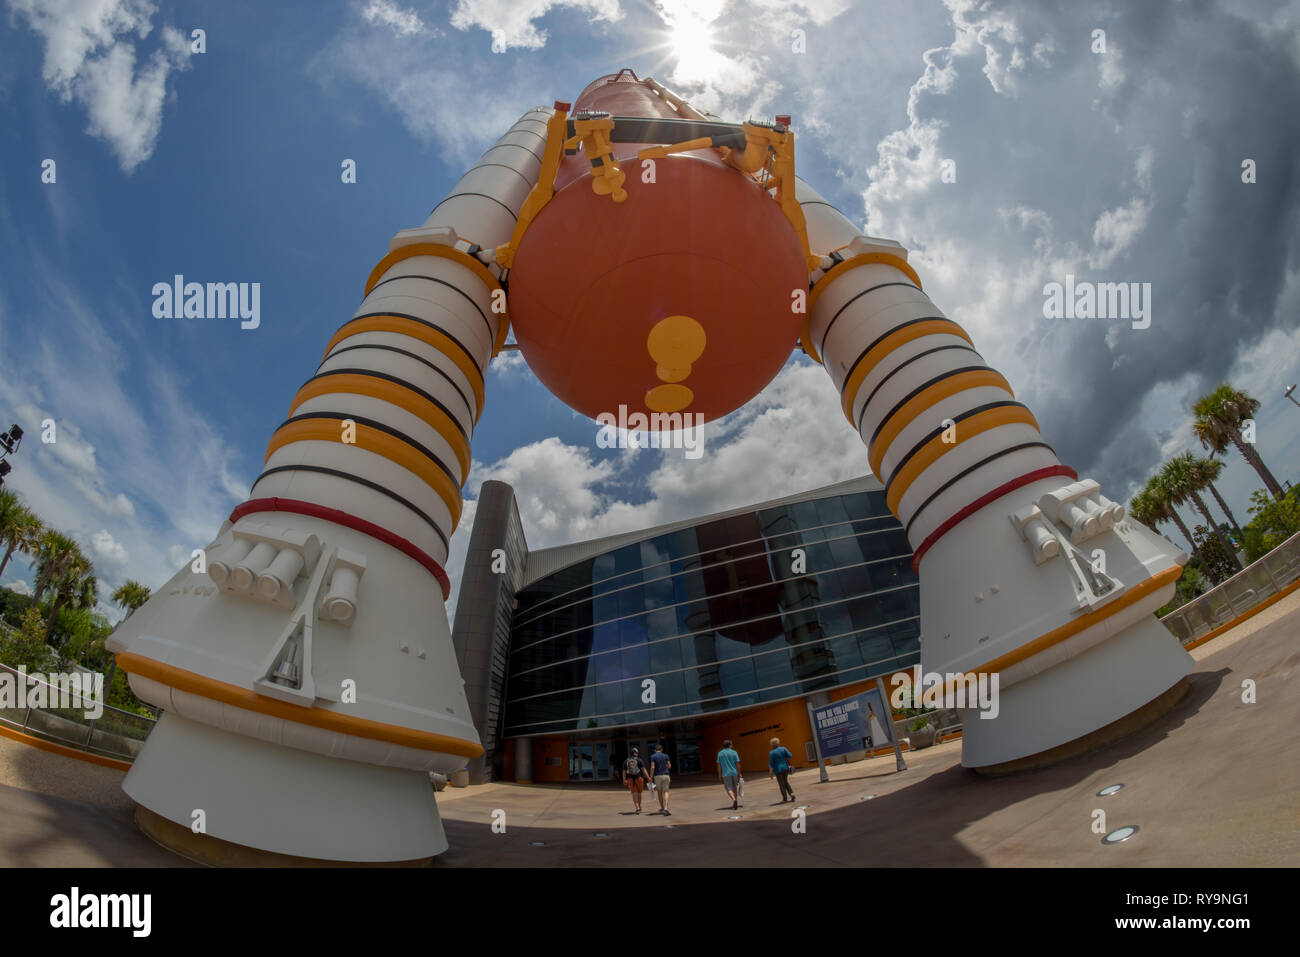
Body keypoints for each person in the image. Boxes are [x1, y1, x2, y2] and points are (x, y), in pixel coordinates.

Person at [621, 747, 649, 813]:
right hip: (639, 778)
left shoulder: (626, 761)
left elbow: (624, 771)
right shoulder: (639, 760)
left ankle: (637, 808)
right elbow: (644, 770)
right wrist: (648, 777)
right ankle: (639, 806)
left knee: (634, 793)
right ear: (635, 753)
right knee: (639, 793)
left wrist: (624, 779)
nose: (637, 753)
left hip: (630, 779)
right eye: (637, 752)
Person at [717, 739, 742, 810]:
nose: (732, 745)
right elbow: (737, 764)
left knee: (728, 788)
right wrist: (739, 773)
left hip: (726, 774)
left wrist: (719, 774)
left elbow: (718, 765)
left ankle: (734, 800)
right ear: (729, 745)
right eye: (731, 744)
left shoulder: (720, 753)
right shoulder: (734, 752)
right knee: (734, 788)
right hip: (734, 773)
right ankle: (736, 800)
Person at [769, 736, 796, 803]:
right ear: (778, 743)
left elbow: (771, 764)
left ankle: (785, 798)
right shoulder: (783, 749)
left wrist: (771, 774)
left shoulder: (771, 753)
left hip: (778, 770)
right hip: (785, 768)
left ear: (772, 744)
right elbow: (790, 755)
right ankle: (792, 794)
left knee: (781, 784)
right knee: (785, 782)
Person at [649, 743, 672, 815]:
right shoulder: (666, 756)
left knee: (659, 792)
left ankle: (662, 808)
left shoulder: (653, 756)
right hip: (665, 775)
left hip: (657, 776)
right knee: (666, 791)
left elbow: (652, 767)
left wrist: (651, 777)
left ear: (655, 750)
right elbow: (669, 766)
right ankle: (666, 808)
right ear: (661, 749)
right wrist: (665, 768)